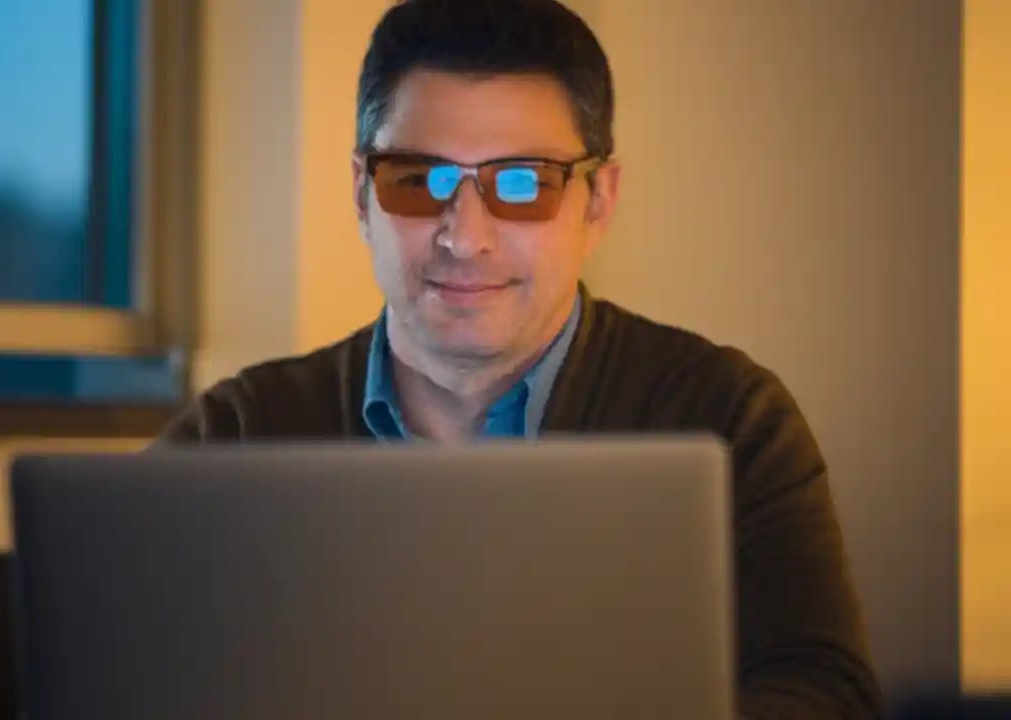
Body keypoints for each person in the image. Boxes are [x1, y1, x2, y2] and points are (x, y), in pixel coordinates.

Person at [160, 0, 883, 716]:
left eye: (522, 183)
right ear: (361, 194)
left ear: (597, 201)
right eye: (419, 179)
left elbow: (826, 693)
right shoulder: (239, 432)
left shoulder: (727, 417)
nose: (465, 237)